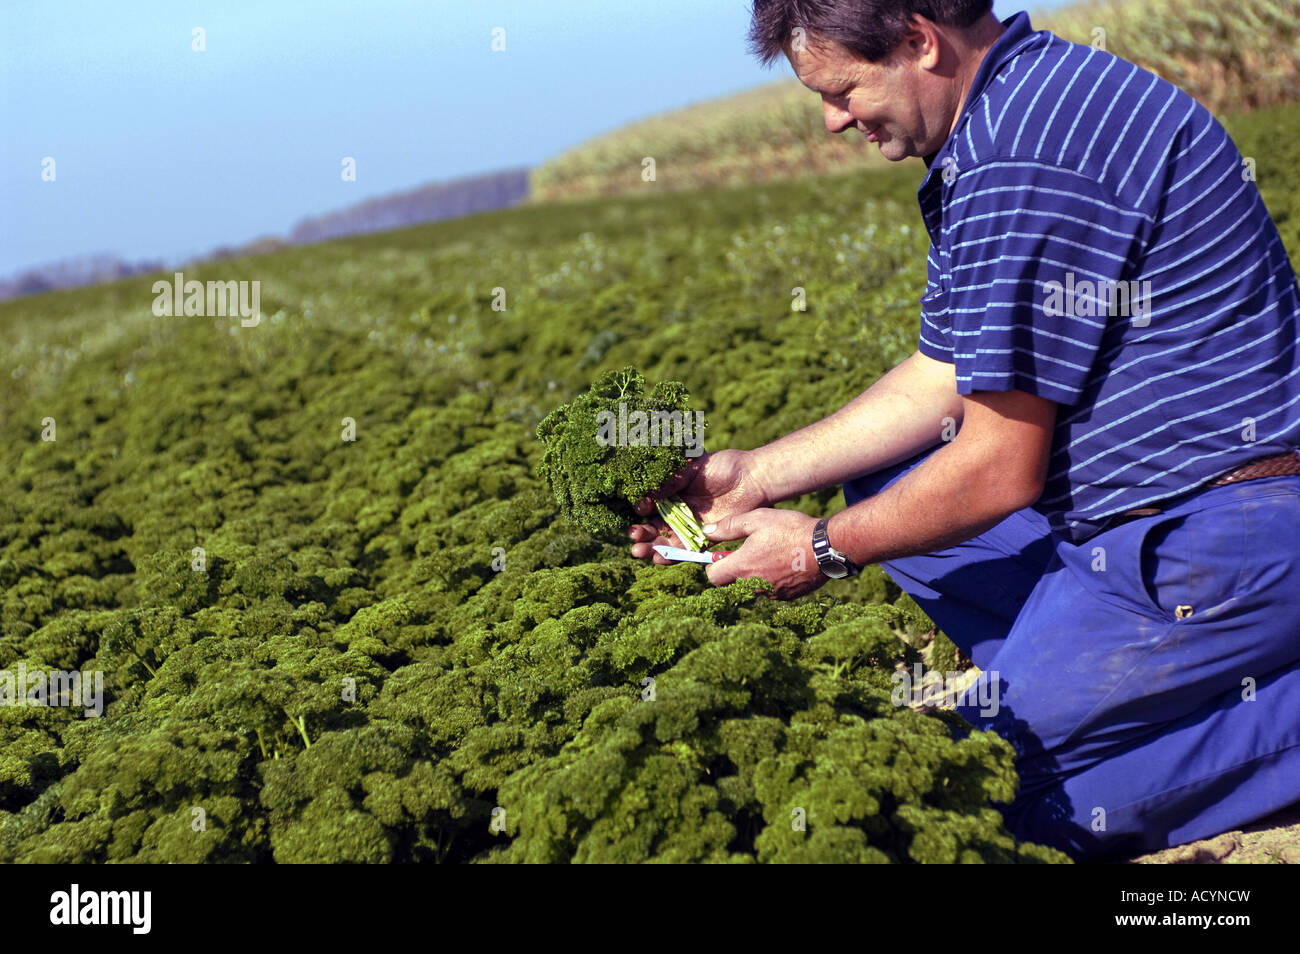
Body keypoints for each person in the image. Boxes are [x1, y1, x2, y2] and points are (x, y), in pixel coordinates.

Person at [629, 0, 1300, 861]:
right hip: (1158, 522)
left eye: (842, 90)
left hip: (1213, 534)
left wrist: (820, 550)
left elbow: (996, 472)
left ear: (918, 39)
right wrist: (755, 476)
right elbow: (940, 379)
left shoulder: (1026, 156)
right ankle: (1123, 674)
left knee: (966, 789)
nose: (834, 122)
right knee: (884, 482)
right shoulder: (1013, 111)